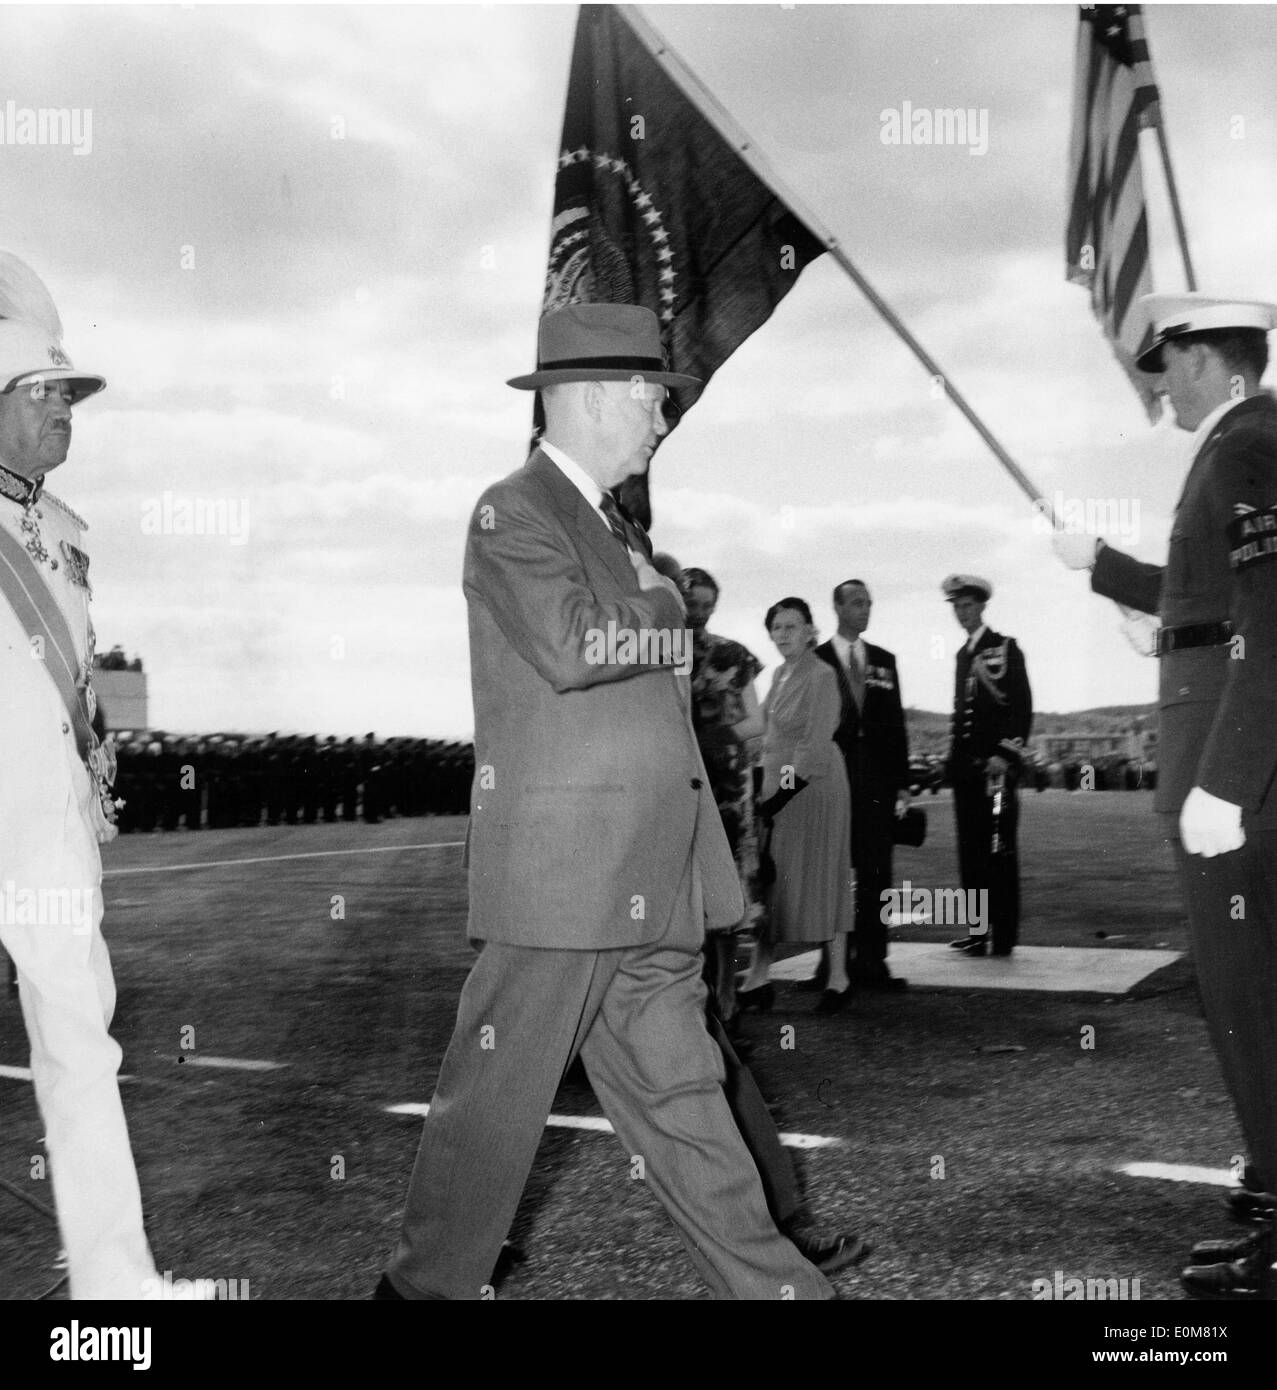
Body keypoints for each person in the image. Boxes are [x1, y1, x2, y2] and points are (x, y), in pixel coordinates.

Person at [375, 303, 832, 1300]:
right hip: (565, 878)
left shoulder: (605, 525)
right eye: (648, 397)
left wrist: (652, 598)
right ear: (586, 397)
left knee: (686, 1103)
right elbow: (577, 642)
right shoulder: (513, 510)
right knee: (490, 1111)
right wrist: (664, 602)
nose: (660, 418)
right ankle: (419, 1293)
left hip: (645, 877)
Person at [1053, 292, 1277, 1300]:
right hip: (1215, 721)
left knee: (1247, 999)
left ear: (1198, 360)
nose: (1156, 384)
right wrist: (1098, 568)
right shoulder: (1242, 443)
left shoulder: (1243, 444)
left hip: (1229, 761)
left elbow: (1271, 615)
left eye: (1164, 364)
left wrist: (1225, 782)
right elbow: (1217, 598)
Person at [0, 254, 160, 1297]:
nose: (66, 411)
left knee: (79, 1042)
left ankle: (117, 1287)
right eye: (44, 393)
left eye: (68, 395)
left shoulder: (59, 536)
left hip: (40, 820)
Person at [739, 598, 855, 1014]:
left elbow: (815, 742)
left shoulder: (821, 675)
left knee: (824, 877)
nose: (783, 634)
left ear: (810, 631)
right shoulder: (780, 674)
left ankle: (839, 978)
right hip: (778, 790)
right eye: (776, 627)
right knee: (772, 884)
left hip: (812, 790)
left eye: (792, 626)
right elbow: (760, 727)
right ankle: (758, 976)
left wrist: (779, 796)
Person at [814, 579, 911, 990]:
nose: (865, 609)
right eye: (856, 603)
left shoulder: (884, 661)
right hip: (830, 780)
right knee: (830, 875)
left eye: (869, 603)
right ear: (836, 607)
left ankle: (873, 962)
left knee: (876, 874)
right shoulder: (814, 659)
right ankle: (829, 966)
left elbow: (896, 726)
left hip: (876, 786)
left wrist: (903, 785)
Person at [681, 566, 765, 1023]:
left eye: (707, 604)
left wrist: (720, 734)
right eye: (691, 603)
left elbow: (757, 722)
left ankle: (728, 995)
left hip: (727, 791)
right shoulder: (653, 652)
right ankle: (688, 999)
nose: (698, 612)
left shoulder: (733, 654)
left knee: (729, 898)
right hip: (674, 786)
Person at [941, 576, 1032, 958]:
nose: (962, 613)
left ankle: (1005, 936)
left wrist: (1005, 755)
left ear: (981, 606)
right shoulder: (963, 654)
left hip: (996, 771)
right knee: (971, 853)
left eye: (967, 605)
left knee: (1000, 851)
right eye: (956, 606)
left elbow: (1021, 708)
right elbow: (962, 715)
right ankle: (978, 934)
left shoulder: (1005, 647)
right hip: (968, 771)